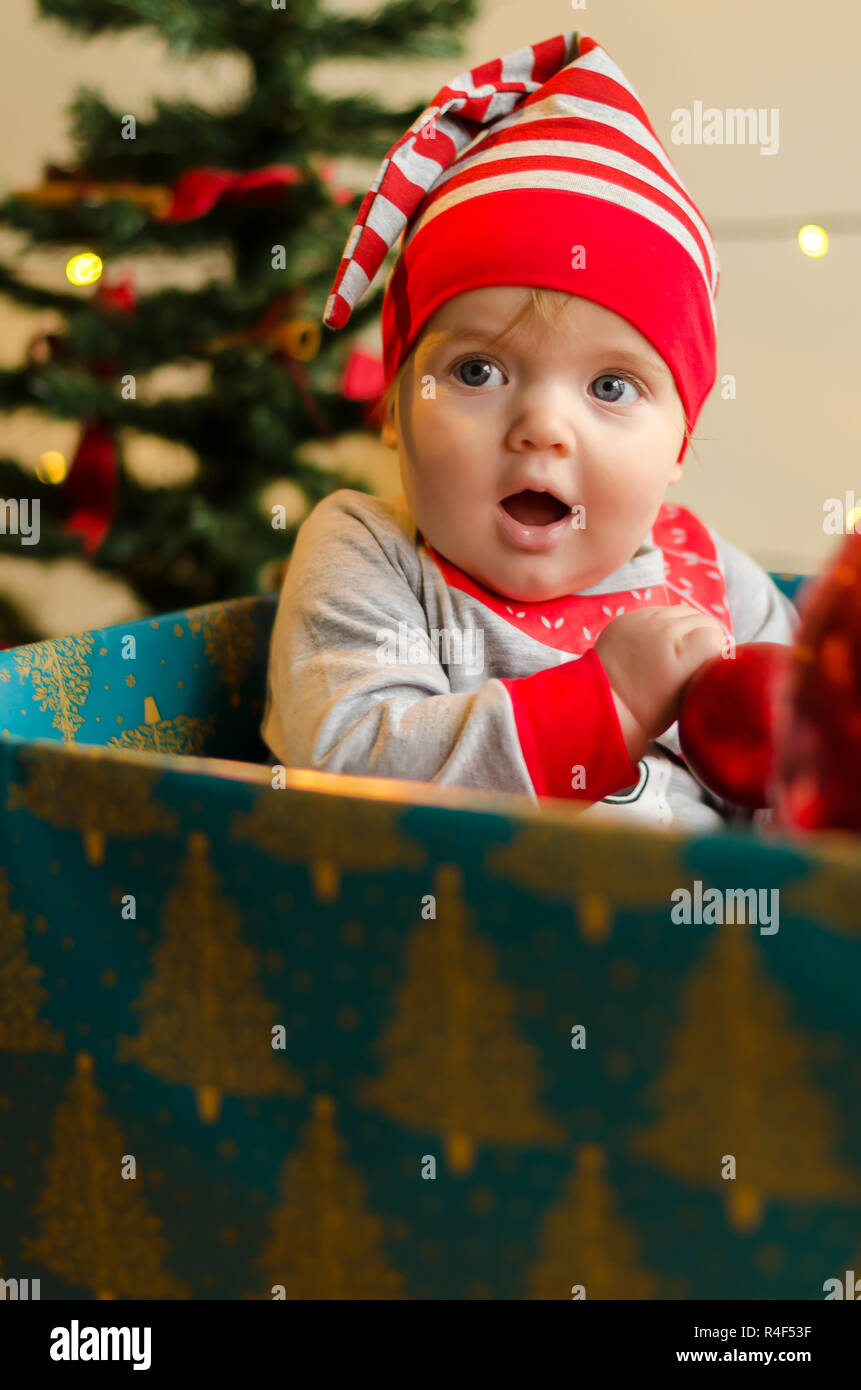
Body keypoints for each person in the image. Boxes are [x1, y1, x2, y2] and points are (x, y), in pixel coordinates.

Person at [261, 29, 798, 830]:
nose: (542, 427)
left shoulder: (716, 583)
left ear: (676, 446)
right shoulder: (371, 555)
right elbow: (349, 764)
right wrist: (605, 702)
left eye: (611, 386)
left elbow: (804, 788)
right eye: (477, 371)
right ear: (393, 412)